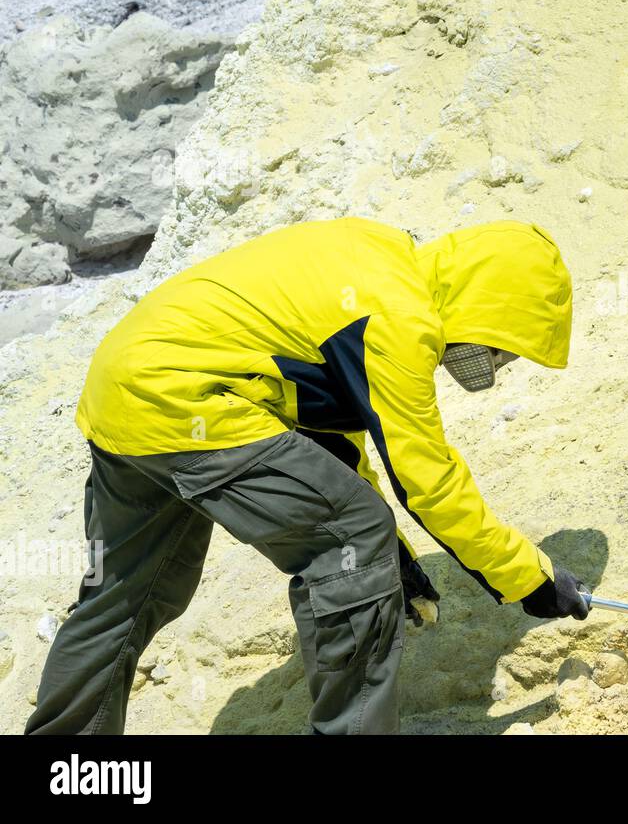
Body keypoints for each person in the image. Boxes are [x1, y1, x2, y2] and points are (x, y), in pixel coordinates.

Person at [26, 218, 590, 735]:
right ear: (488, 302)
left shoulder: (378, 258)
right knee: (352, 539)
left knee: (127, 594)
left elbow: (324, 446)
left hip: (123, 392)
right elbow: (427, 480)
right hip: (188, 402)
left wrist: (396, 555)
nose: (491, 360)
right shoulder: (399, 317)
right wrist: (529, 578)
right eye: (500, 343)